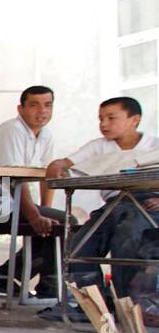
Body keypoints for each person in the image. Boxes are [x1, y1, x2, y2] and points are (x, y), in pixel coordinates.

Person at [41, 96, 159, 319]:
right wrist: (57, 166)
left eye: (111, 118)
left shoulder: (154, 146)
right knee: (79, 246)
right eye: (100, 119)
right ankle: (95, 306)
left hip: (147, 205)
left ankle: (129, 307)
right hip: (114, 205)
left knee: (127, 241)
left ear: (135, 120)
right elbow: (63, 163)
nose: (104, 124)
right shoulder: (98, 146)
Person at [0, 86, 59, 298]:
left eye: (47, 105)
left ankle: (6, 277)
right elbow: (14, 180)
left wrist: (44, 212)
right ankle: (49, 288)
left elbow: (47, 176)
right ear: (20, 109)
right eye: (34, 105)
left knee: (56, 223)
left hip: (16, 206)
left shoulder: (46, 135)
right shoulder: (12, 130)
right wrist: (36, 216)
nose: (42, 111)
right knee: (65, 223)